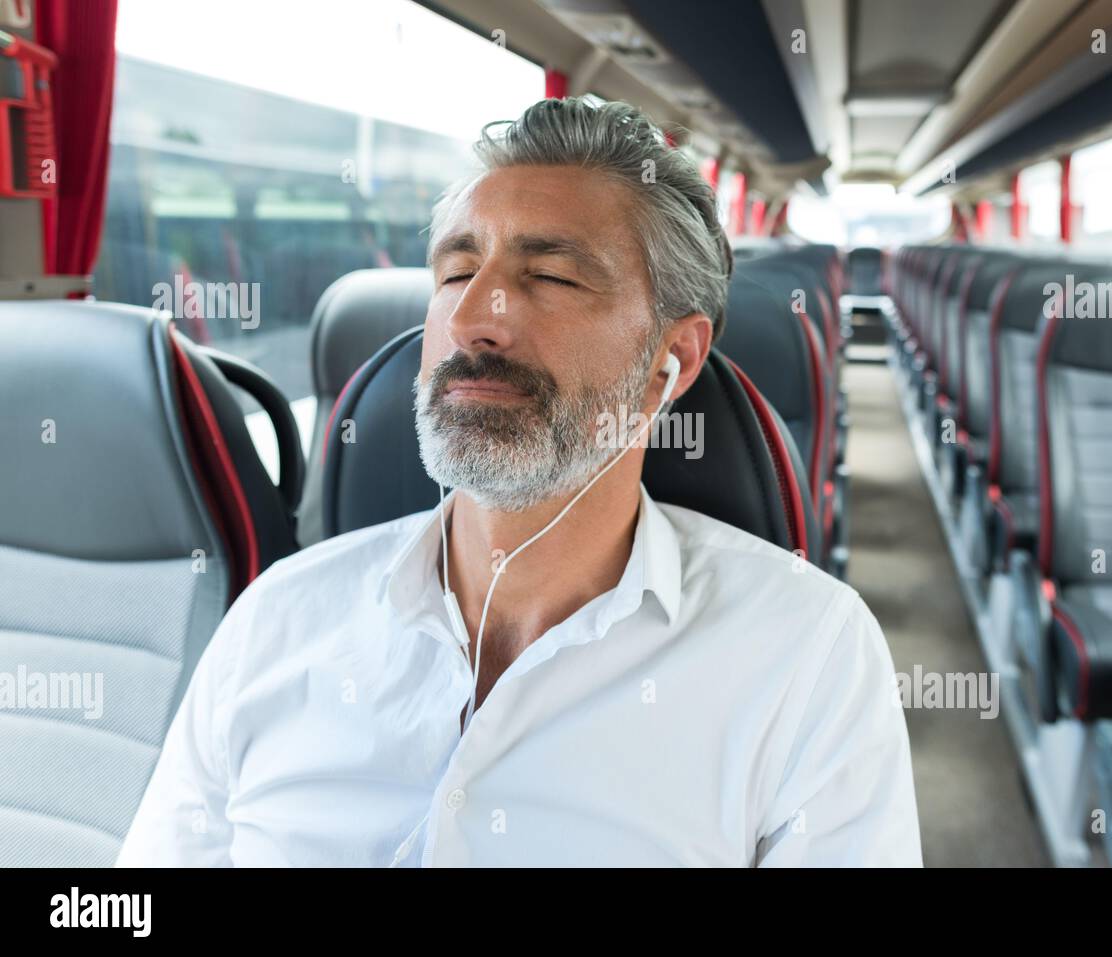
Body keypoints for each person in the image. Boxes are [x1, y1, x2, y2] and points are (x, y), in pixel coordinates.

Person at [116, 97, 921, 867]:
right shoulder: (276, 620)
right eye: (457, 273)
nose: (475, 319)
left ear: (671, 360)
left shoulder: (807, 654)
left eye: (553, 277)